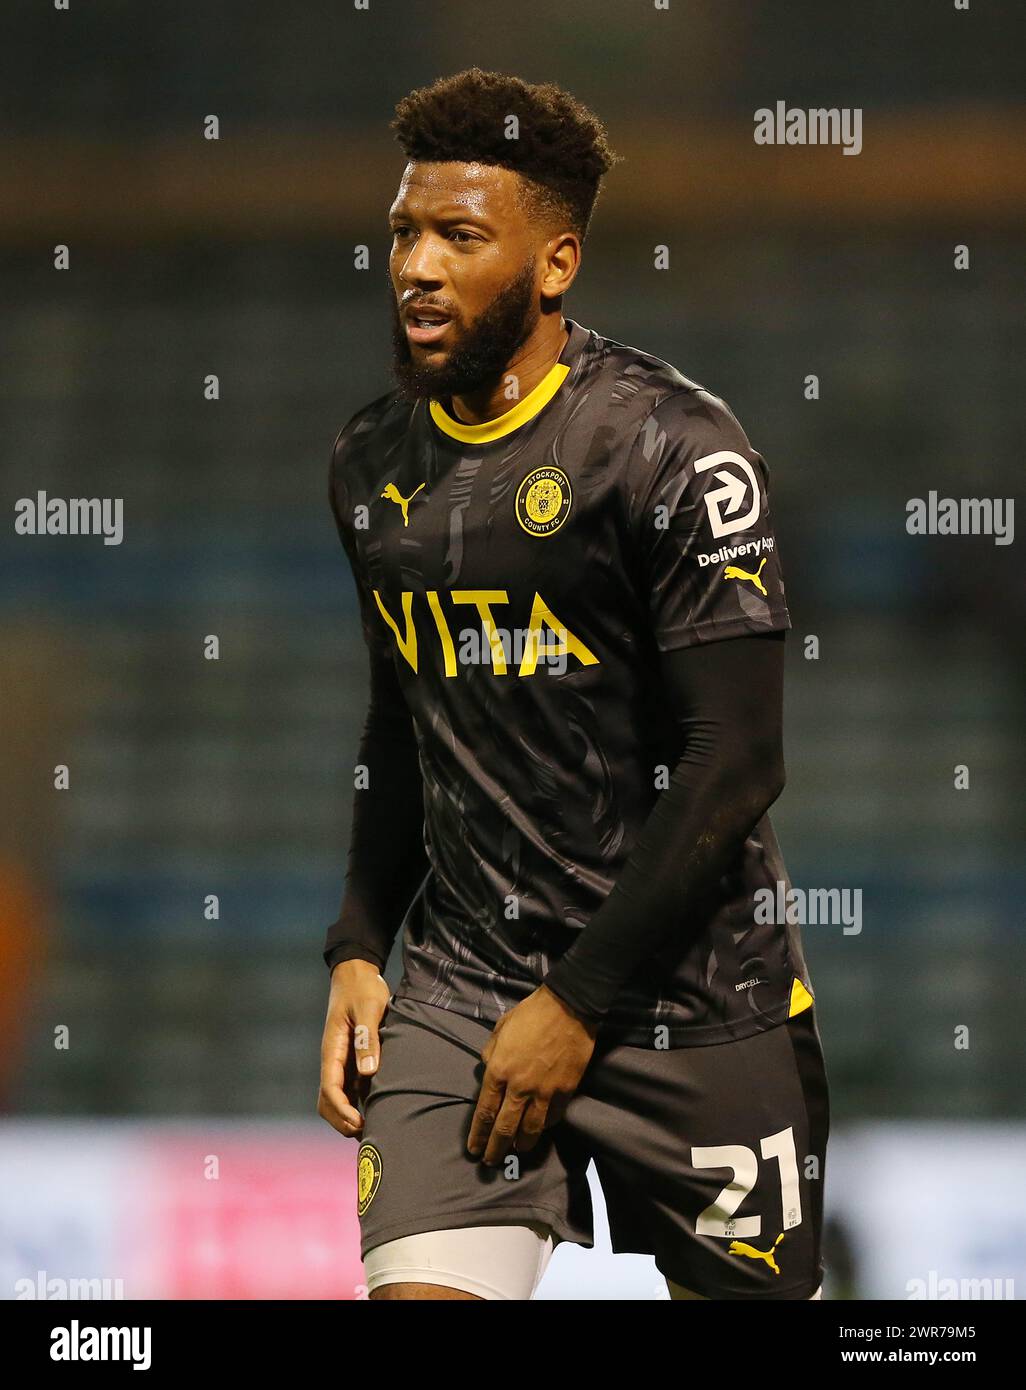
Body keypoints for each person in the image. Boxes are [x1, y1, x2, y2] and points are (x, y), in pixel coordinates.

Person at [317, 67, 829, 1302]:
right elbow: (407, 718)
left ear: (554, 265)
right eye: (403, 233)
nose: (417, 267)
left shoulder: (672, 448)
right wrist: (356, 946)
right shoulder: (372, 462)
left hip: (689, 1000)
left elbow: (738, 758)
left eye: (459, 236)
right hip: (462, 991)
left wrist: (579, 1003)